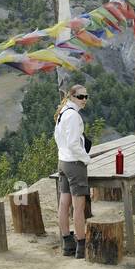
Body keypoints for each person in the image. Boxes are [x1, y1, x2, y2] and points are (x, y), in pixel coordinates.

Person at [54, 84, 91, 259]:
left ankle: (67, 243)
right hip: (74, 163)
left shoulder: (62, 113)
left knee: (64, 203)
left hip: (62, 161)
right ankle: (81, 246)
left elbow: (58, 138)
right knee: (78, 207)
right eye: (80, 97)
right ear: (72, 96)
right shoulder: (74, 116)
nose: (84, 100)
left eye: (86, 96)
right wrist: (86, 158)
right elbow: (74, 144)